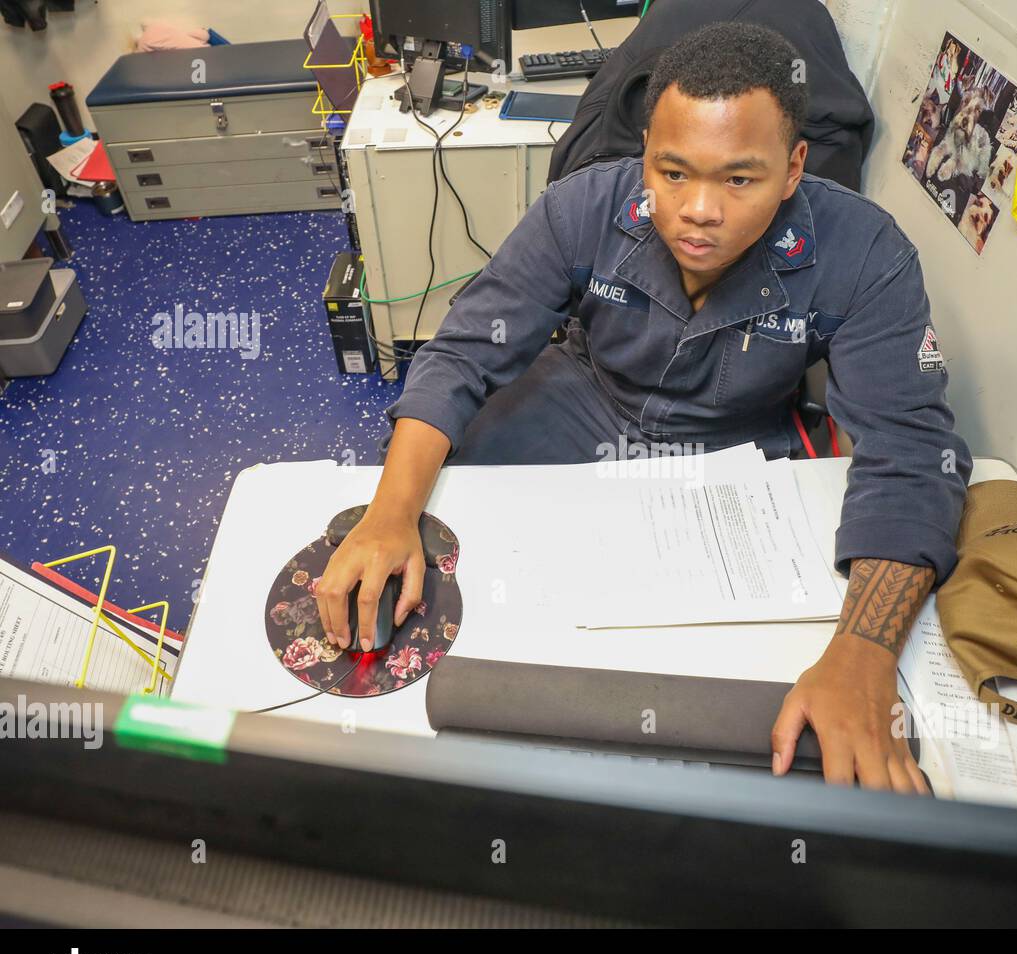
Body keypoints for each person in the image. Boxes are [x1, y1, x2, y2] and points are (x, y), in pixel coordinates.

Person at [316, 21, 972, 793]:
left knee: (715, 663)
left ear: (794, 168)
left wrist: (864, 657)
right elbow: (462, 352)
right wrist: (389, 513)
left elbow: (910, 453)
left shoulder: (866, 252)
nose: (698, 210)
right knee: (459, 571)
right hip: (584, 397)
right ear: (644, 155)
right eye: (673, 172)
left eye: (739, 179)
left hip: (734, 445)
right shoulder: (582, 208)